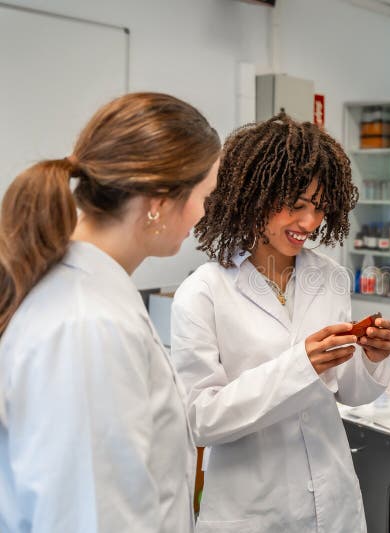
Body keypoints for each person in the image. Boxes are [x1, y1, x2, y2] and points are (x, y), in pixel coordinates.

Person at [0, 93, 221, 532]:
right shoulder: (90, 327)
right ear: (159, 200)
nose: (203, 213)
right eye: (204, 195)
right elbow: (91, 518)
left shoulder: (89, 298)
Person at [169, 113, 390, 532]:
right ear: (253, 197)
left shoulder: (329, 277)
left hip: (335, 504)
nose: (309, 223)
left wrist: (372, 358)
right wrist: (301, 366)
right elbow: (201, 420)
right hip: (255, 511)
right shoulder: (204, 292)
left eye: (318, 207)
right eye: (295, 206)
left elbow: (350, 392)